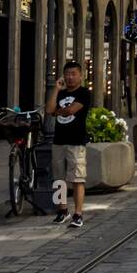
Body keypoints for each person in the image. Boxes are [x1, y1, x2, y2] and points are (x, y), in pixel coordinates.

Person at [48, 60, 92, 228]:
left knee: (77, 178)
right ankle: (62, 210)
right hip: (59, 140)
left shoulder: (84, 93)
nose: (70, 77)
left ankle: (78, 213)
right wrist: (56, 89)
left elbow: (70, 110)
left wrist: (57, 111)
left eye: (74, 74)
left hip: (76, 140)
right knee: (58, 179)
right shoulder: (60, 93)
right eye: (67, 74)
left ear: (81, 75)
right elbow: (48, 110)